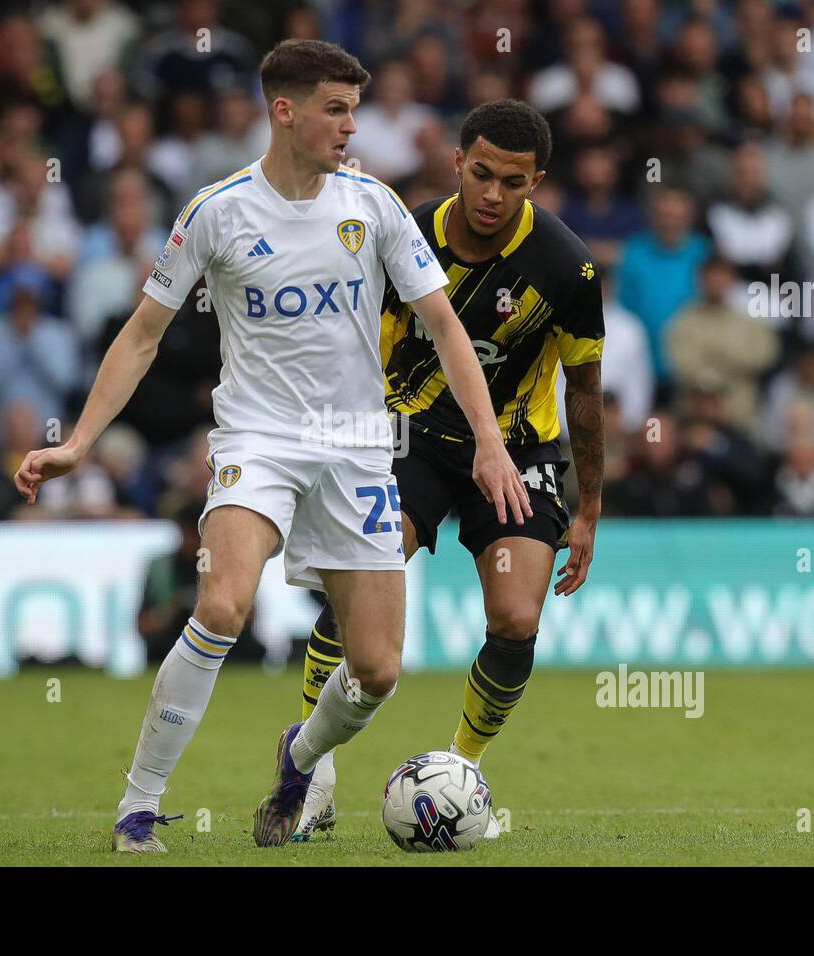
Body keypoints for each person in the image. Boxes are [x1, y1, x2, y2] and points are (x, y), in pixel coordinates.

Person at [13, 40, 529, 853]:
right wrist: (78, 441)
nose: (351, 126)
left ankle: (300, 756)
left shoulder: (375, 206)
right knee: (221, 607)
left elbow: (444, 325)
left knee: (378, 671)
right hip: (257, 439)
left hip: (357, 447)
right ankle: (138, 807)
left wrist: (490, 444)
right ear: (282, 110)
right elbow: (143, 334)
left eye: (355, 110)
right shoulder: (217, 212)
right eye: (336, 108)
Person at [293, 99, 605, 841]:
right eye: (483, 174)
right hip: (409, 438)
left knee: (517, 617)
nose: (494, 195)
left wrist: (588, 505)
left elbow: (586, 392)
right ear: (458, 161)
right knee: (360, 586)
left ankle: (461, 774)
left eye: (515, 183)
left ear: (538, 183)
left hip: (520, 447)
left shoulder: (568, 267)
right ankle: (311, 768)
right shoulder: (404, 234)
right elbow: (350, 344)